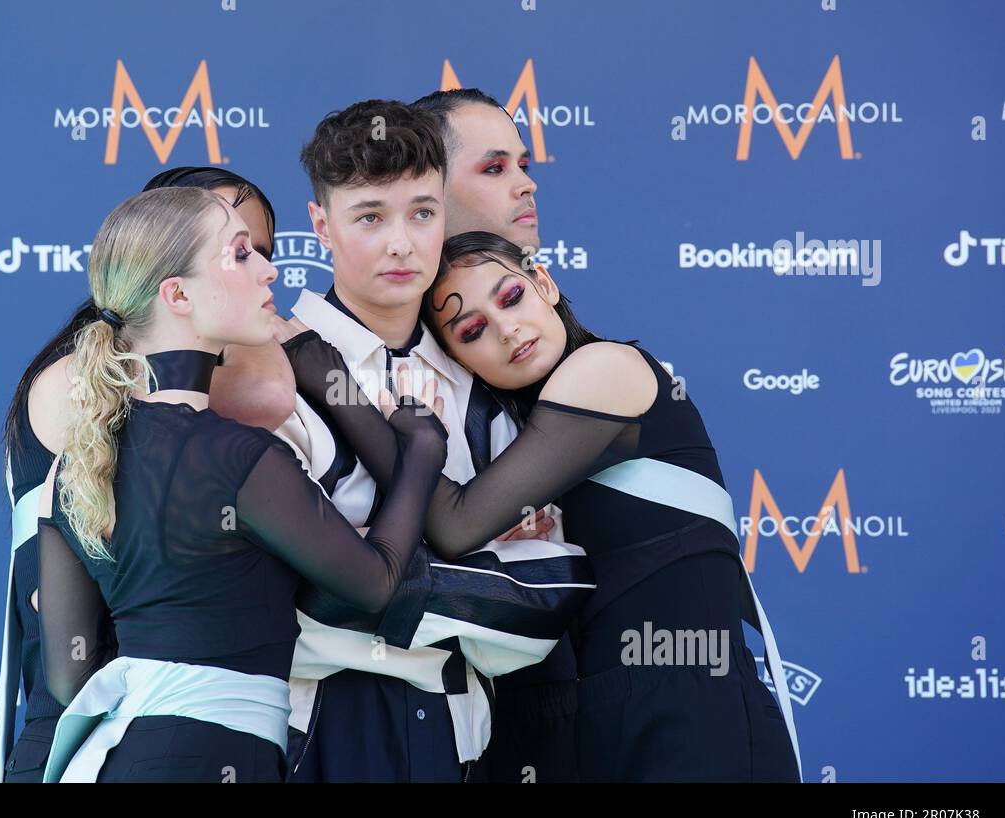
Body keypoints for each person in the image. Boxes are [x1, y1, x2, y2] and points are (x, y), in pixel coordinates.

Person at [283, 230, 803, 782]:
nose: (507, 329)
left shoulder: (607, 369)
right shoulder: (506, 434)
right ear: (454, 359)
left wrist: (329, 377)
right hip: (574, 720)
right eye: (472, 329)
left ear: (545, 283)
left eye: (511, 297)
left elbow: (454, 524)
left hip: (689, 715)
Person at [34, 185, 449, 782]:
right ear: (177, 295)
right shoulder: (239, 457)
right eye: (240, 255)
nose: (269, 269)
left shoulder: (75, 464)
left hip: (119, 757)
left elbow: (69, 675)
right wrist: (420, 452)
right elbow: (379, 584)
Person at [273, 99, 595, 783]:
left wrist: (371, 568)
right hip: (311, 737)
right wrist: (471, 592)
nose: (401, 243)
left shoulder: (483, 375)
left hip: (462, 741)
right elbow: (280, 600)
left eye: (422, 212)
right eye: (370, 217)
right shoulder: (266, 366)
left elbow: (548, 595)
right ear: (320, 226)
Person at [0, 168, 293, 783]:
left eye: (261, 250)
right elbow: (269, 392)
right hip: (86, 726)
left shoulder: (194, 402)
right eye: (234, 252)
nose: (263, 273)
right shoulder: (83, 375)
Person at [408, 85, 578, 782]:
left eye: (523, 162)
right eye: (494, 166)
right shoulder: (371, 351)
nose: (525, 181)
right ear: (427, 193)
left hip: (612, 705)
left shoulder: (576, 349)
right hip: (462, 722)